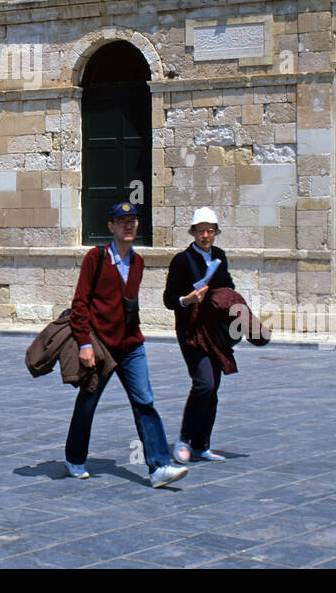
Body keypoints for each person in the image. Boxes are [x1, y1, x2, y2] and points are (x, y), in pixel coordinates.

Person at [64, 202, 188, 488]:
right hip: (101, 348)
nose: (129, 226)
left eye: (133, 221)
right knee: (87, 404)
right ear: (111, 227)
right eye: (122, 221)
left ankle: (158, 468)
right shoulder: (95, 258)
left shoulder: (138, 262)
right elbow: (80, 303)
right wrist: (84, 343)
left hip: (132, 346)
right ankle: (74, 457)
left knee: (145, 402)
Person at [163, 205, 269, 465]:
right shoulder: (181, 260)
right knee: (204, 384)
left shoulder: (220, 255)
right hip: (191, 332)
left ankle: (202, 444)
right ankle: (185, 439)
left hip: (214, 332)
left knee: (214, 389)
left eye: (210, 231)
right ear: (193, 233)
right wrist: (187, 299)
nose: (206, 236)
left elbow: (228, 285)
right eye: (201, 231)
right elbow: (169, 299)